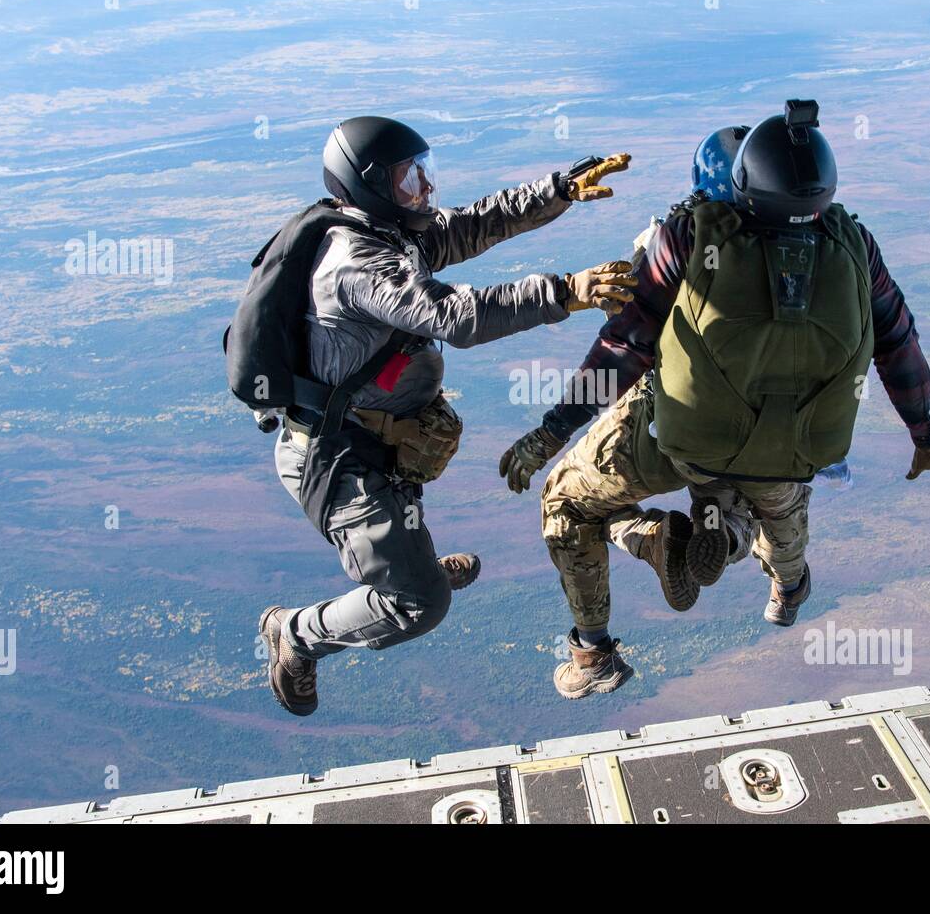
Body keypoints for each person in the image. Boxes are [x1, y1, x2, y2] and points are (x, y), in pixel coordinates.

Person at [500, 102, 930, 699]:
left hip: (681, 439)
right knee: (770, 508)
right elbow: (899, 346)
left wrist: (551, 432)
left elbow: (624, 346)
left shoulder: (688, 233)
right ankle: (781, 582)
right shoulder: (855, 245)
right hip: (793, 452)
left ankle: (594, 649)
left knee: (568, 502)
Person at [229, 116, 636, 716]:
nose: (422, 189)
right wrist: (565, 292)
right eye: (407, 179)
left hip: (379, 443)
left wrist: (558, 190)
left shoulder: (389, 231)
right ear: (367, 184)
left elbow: (473, 226)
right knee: (420, 606)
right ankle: (294, 635)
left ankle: (409, 564)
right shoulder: (358, 260)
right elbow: (455, 316)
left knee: (422, 470)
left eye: (424, 174)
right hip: (340, 462)